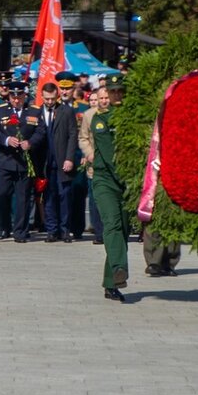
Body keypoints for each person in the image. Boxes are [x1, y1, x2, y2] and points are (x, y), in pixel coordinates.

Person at [78, 77, 131, 301]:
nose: (115, 96)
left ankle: (111, 283)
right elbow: (108, 155)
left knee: (124, 232)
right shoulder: (99, 120)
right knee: (112, 224)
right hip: (105, 179)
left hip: (127, 183)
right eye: (112, 92)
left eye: (119, 92)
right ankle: (119, 268)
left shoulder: (133, 118)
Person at [0, 80, 45, 243]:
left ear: (24, 96)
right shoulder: (0, 111)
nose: (16, 100)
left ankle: (20, 230)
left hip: (24, 162)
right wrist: (6, 140)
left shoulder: (33, 111)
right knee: (2, 194)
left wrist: (31, 142)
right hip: (6, 159)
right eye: (13, 97)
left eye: (19, 96)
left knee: (23, 198)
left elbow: (41, 132)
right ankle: (3, 226)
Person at [38, 81, 78, 242]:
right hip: (45, 162)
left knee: (64, 196)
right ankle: (51, 230)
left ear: (57, 96)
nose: (49, 102)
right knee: (49, 197)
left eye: (52, 99)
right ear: (41, 96)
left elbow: (72, 135)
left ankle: (65, 230)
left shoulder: (66, 111)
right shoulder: (37, 112)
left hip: (62, 160)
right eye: (46, 99)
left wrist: (69, 158)